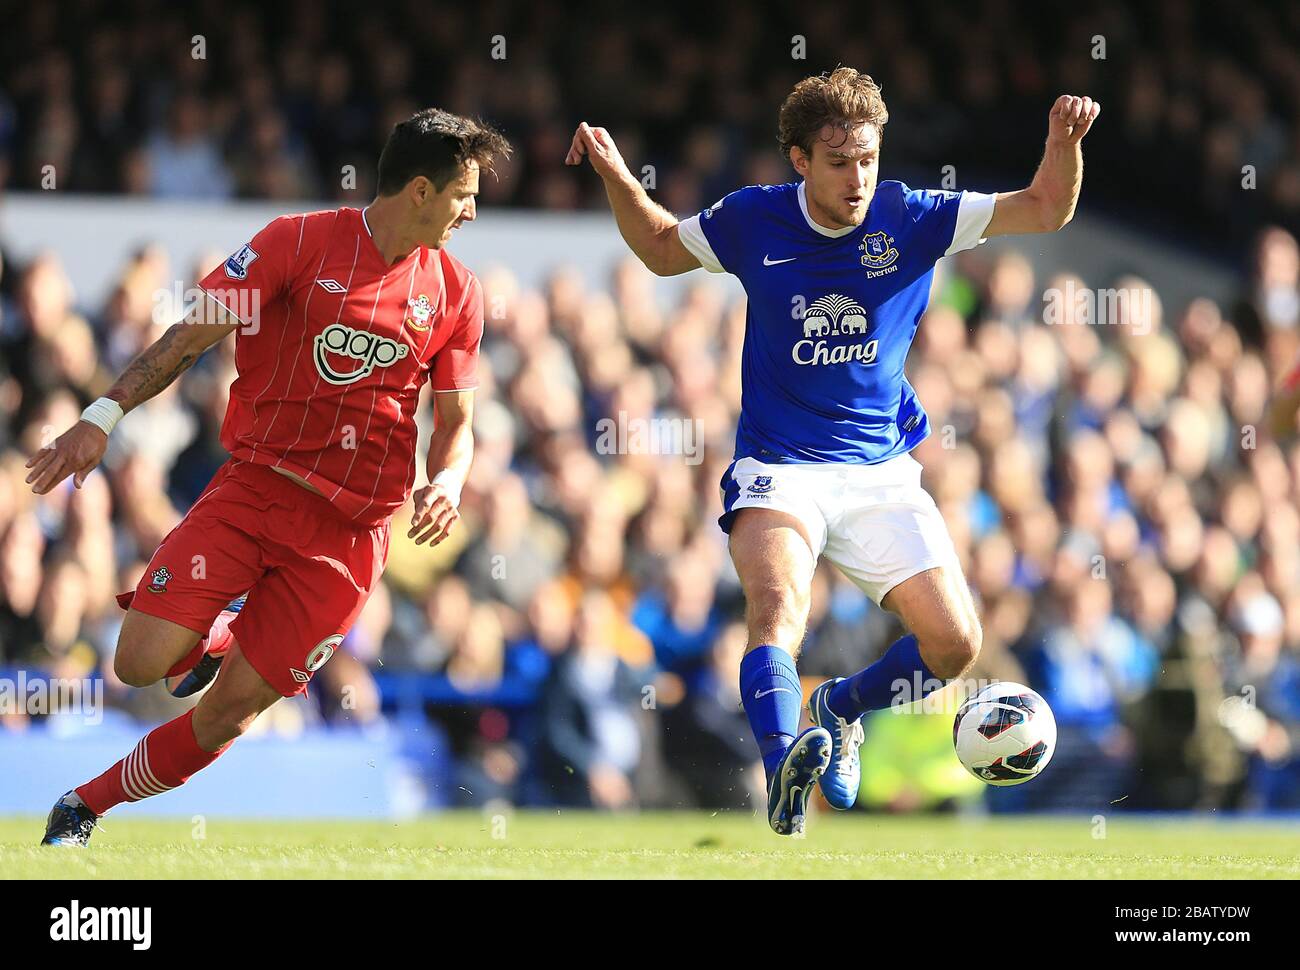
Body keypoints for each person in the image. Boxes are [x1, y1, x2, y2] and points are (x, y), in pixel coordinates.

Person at [567, 67, 1100, 835]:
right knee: (778, 610)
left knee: (955, 646)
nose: (857, 179)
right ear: (800, 161)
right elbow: (657, 247)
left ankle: (839, 707)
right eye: (839, 161)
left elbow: (1046, 207)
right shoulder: (753, 218)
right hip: (780, 468)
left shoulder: (912, 215)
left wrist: (1062, 144)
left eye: (868, 159)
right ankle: (782, 762)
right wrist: (617, 172)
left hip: (880, 473)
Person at [28, 108, 510, 845]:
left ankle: (83, 805)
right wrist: (102, 414)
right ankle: (219, 632)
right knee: (138, 663)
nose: (471, 212)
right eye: (463, 196)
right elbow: (189, 337)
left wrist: (446, 482)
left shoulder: (457, 293)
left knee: (228, 715)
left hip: (349, 539)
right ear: (420, 190)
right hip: (255, 491)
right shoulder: (296, 243)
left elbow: (457, 424)